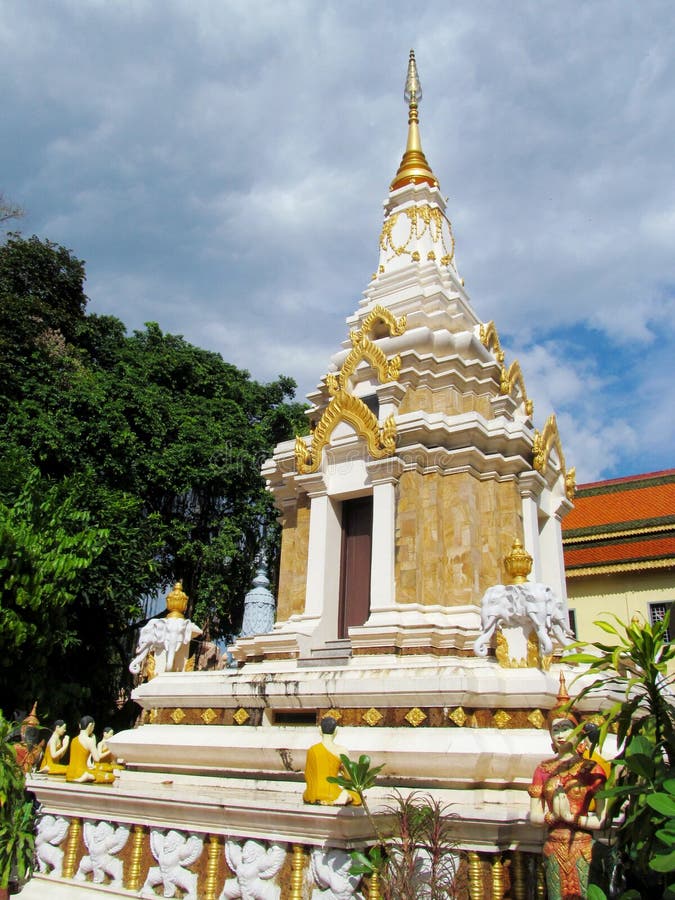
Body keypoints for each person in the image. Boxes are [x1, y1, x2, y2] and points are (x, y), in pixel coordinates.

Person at [529, 676, 607, 900]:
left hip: (583, 845)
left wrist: (574, 818)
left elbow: (603, 819)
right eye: (556, 730)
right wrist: (554, 817)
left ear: (578, 730)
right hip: (554, 845)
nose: (561, 734)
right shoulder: (543, 769)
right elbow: (535, 815)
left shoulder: (591, 769)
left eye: (566, 728)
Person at [303, 717, 361, 806]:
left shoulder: (312, 750)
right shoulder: (341, 750)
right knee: (355, 796)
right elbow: (349, 777)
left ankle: (324, 800)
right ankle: (337, 800)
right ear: (336, 731)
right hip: (331, 793)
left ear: (320, 730)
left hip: (311, 794)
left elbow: (308, 775)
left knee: (306, 793)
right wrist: (341, 769)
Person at [65, 716, 114, 784]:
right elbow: (97, 759)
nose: (93, 729)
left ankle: (86, 776)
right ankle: (86, 776)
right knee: (111, 777)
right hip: (82, 772)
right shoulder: (90, 741)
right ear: (90, 725)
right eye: (93, 727)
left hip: (70, 773)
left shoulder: (73, 740)